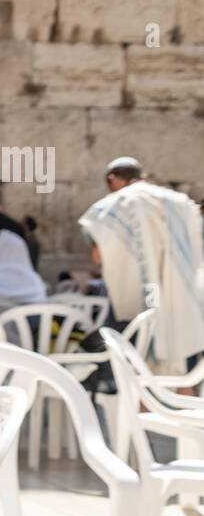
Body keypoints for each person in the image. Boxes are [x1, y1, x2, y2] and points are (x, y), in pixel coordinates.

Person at [80, 156, 204, 369]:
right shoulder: (179, 202)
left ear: (112, 178)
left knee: (136, 361)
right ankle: (182, 397)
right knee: (183, 361)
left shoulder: (111, 207)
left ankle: (140, 400)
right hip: (180, 292)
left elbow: (98, 256)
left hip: (142, 295)